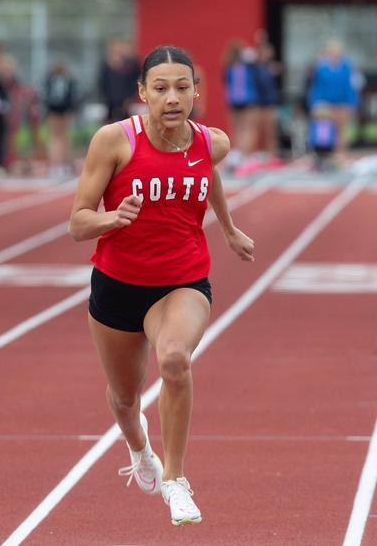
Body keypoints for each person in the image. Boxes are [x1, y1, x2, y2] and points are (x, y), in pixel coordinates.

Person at [68, 45, 255, 525]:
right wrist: (113, 218)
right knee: (126, 396)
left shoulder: (212, 142)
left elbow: (207, 175)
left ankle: (176, 480)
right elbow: (77, 223)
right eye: (160, 88)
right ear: (142, 94)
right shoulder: (114, 142)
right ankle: (140, 450)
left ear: (196, 91)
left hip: (183, 280)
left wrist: (229, 228)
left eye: (181, 87)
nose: (172, 98)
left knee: (174, 359)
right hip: (117, 284)